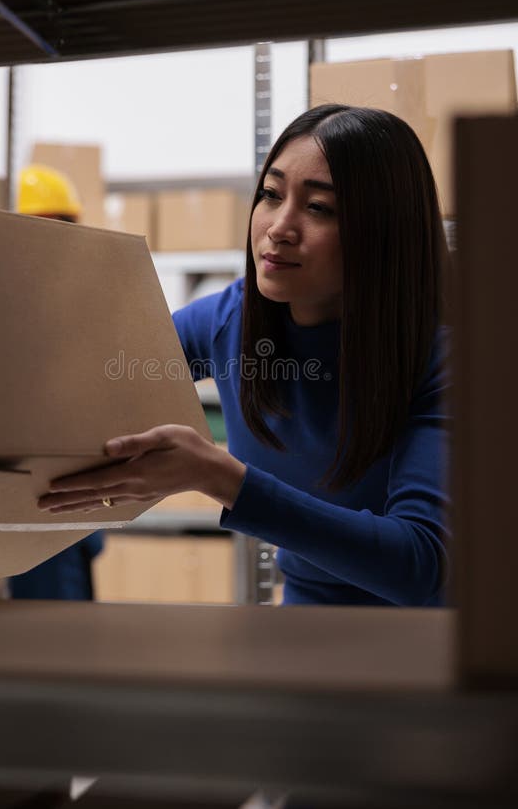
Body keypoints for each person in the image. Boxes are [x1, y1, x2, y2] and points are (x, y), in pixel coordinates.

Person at [38, 105, 453, 607]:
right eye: (271, 195)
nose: (279, 226)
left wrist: (218, 476)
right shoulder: (227, 323)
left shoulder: (443, 356)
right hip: (305, 616)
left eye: (319, 207)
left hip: (435, 642)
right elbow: (83, 392)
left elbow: (421, 564)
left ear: (384, 231)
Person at [0, 164, 104, 601]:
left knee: (55, 622)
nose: (49, 242)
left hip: (59, 493)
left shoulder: (86, 307)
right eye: (39, 227)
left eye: (62, 228)